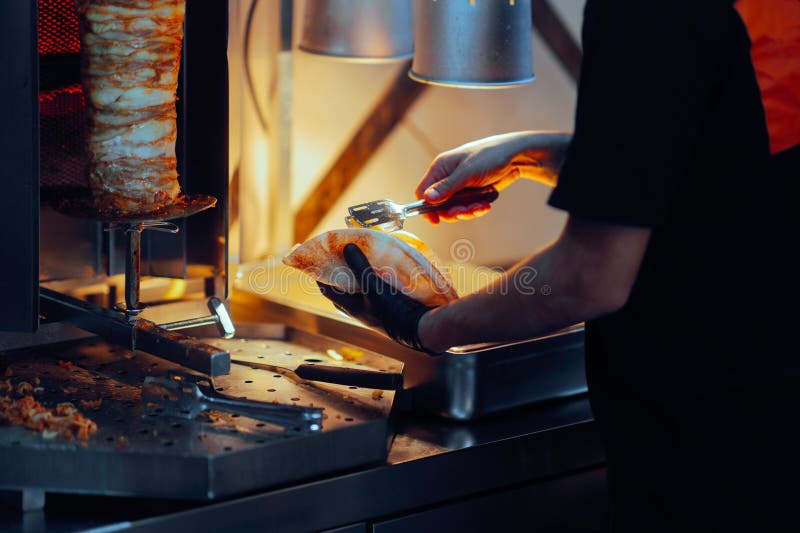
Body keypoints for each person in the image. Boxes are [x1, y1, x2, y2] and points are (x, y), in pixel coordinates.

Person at [319, 0, 800, 530]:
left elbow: (588, 278)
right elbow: (713, 163)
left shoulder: (645, 12)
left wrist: (423, 327)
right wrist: (532, 154)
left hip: (719, 449)